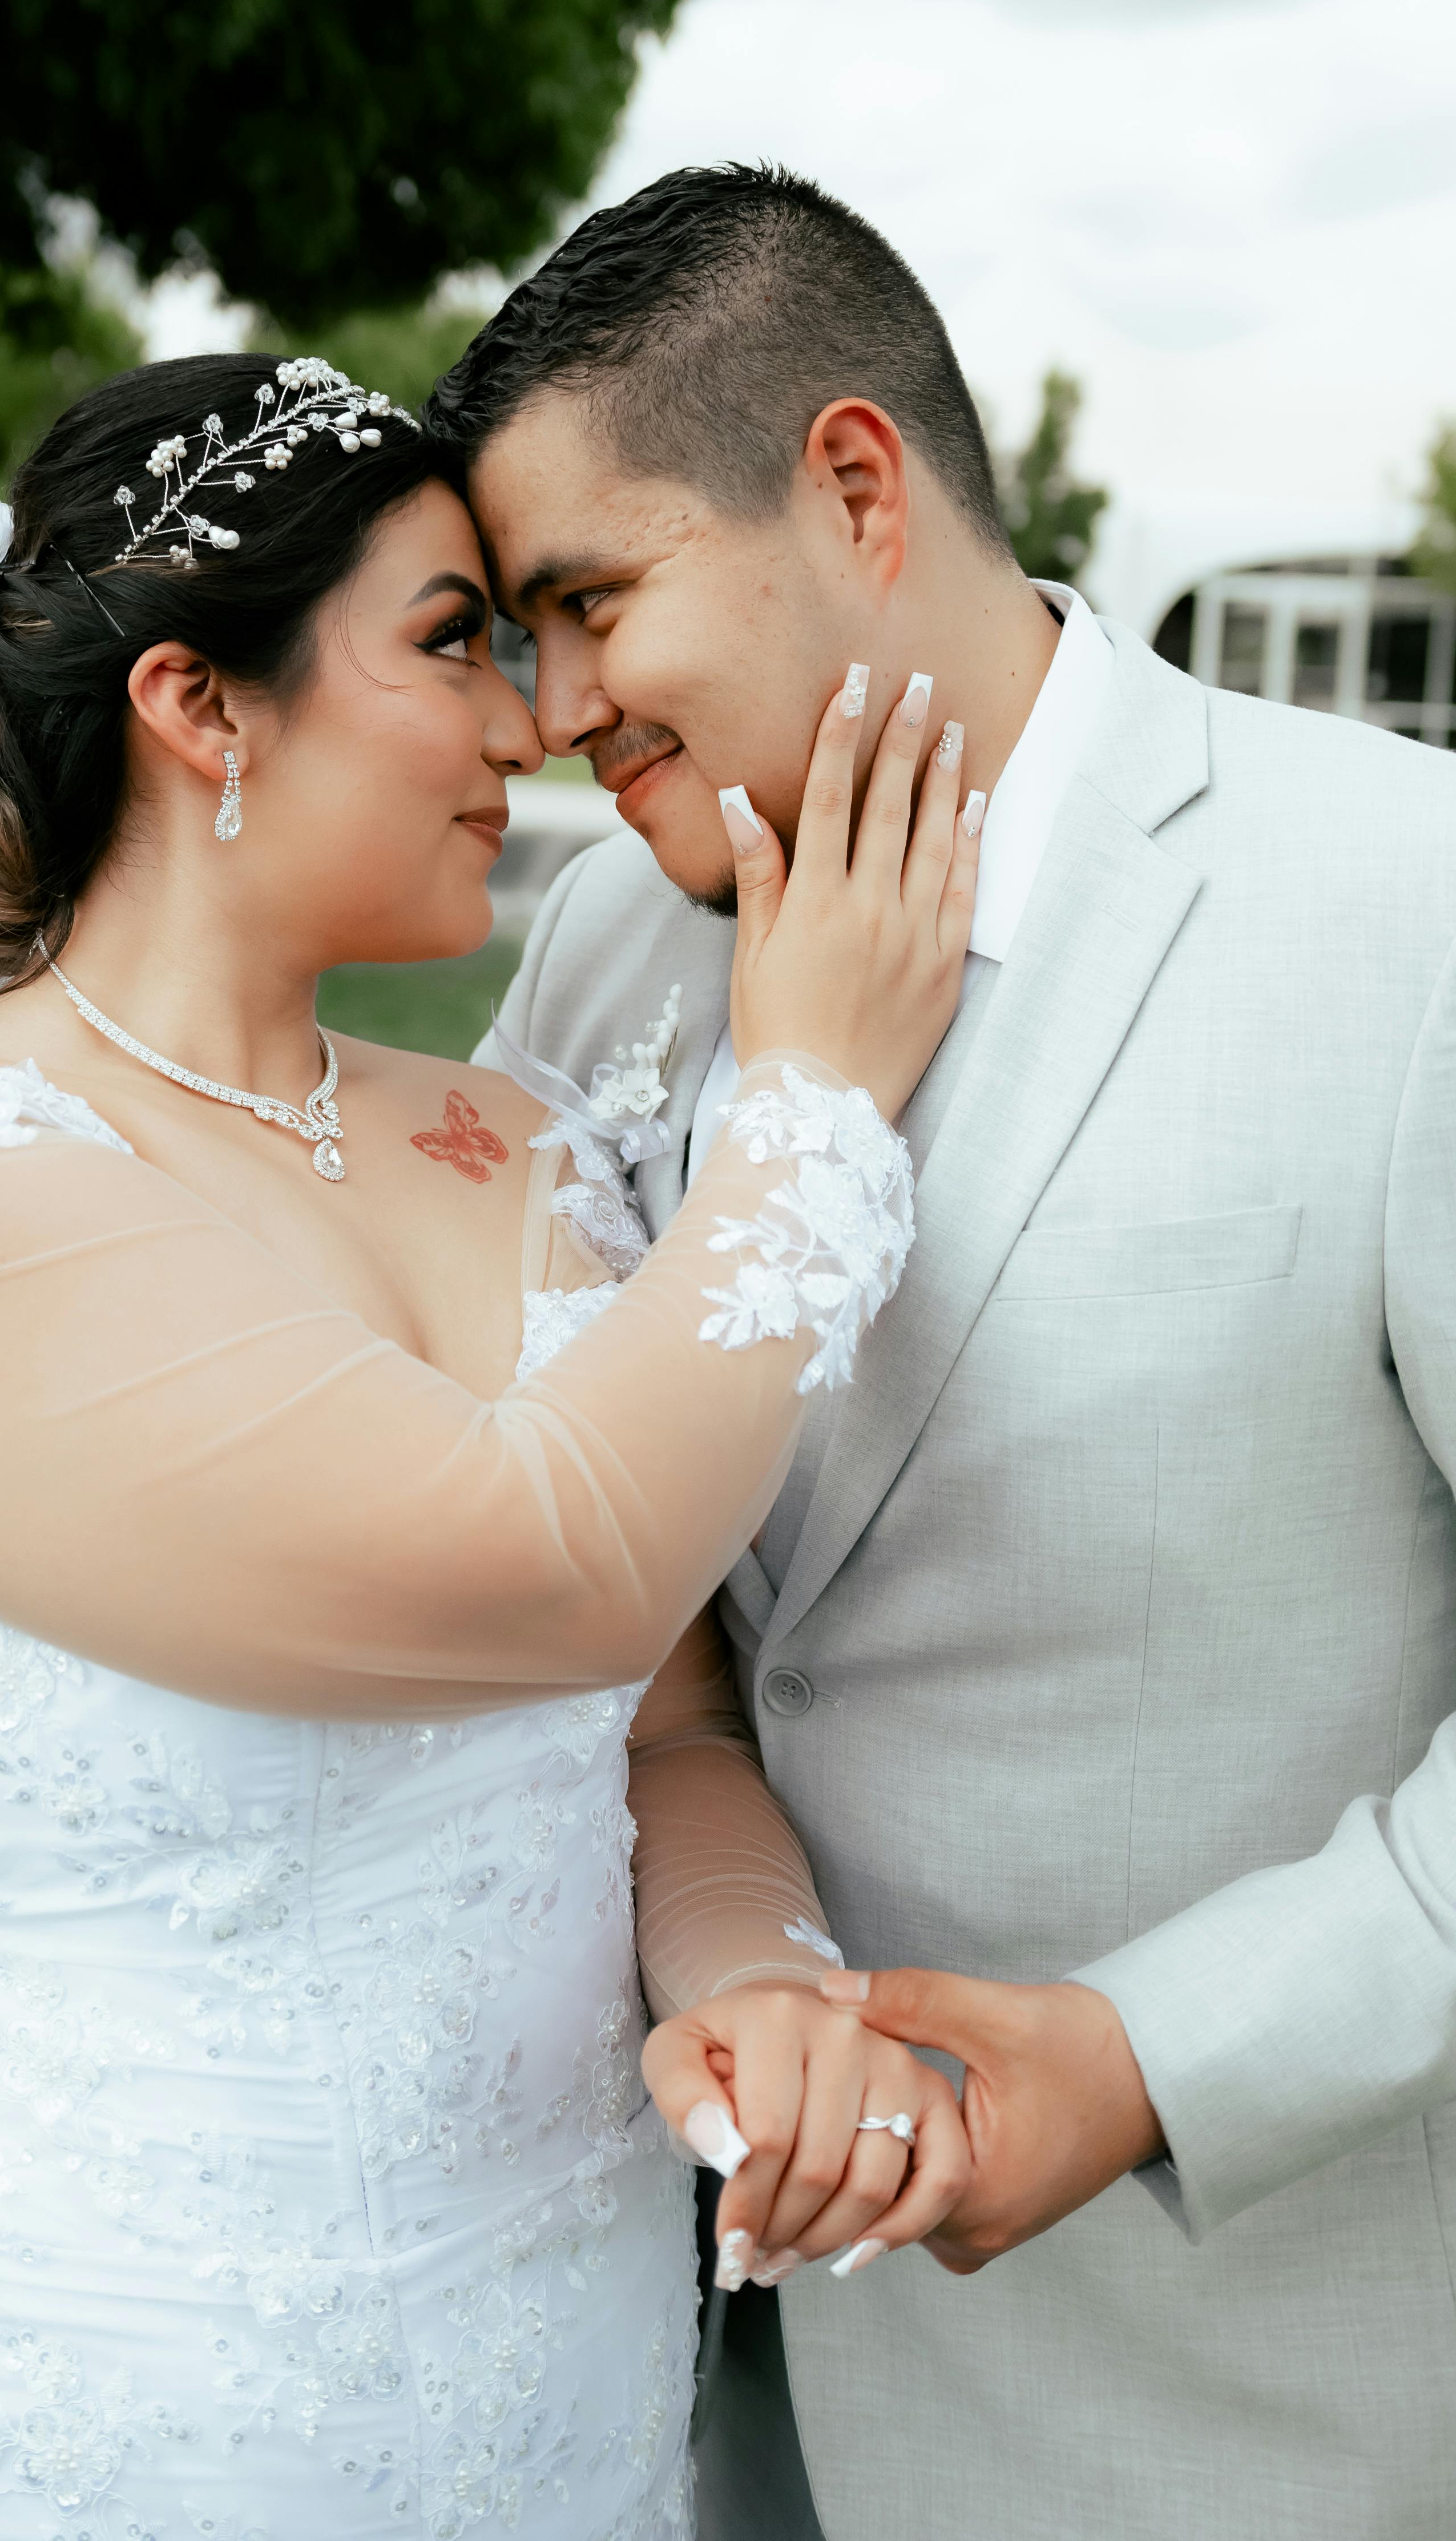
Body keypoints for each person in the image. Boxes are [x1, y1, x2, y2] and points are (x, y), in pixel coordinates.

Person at [0, 348, 984, 2539]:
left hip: (553, 2374)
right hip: (77, 2394)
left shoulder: (527, 1149)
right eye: (453, 644)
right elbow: (542, 1564)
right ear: (200, 707)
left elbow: (662, 1720)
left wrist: (762, 1986)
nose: (531, 726)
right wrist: (814, 1120)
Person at [418, 164, 1456, 2541]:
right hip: (655, 2353)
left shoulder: (1404, 920)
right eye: (512, 632)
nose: (553, 712)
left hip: (1236, 2400)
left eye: (591, 602)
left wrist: (1153, 2064)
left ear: (856, 489)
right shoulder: (597, 949)